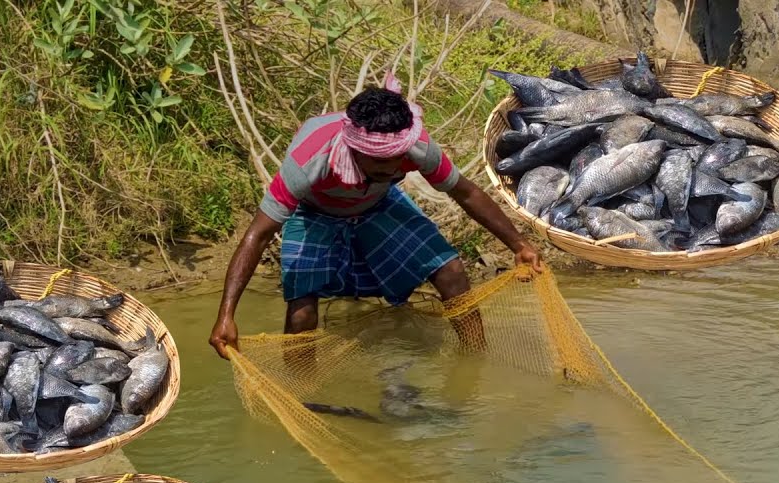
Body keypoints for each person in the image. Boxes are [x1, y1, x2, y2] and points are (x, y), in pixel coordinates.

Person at [209, 71, 543, 359]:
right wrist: (227, 315)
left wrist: (519, 245)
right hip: (315, 212)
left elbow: (466, 192)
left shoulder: (414, 147)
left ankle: (474, 359)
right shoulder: (311, 157)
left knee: (452, 271)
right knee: (301, 311)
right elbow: (258, 234)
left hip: (378, 205)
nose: (394, 168)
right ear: (354, 150)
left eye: (397, 161)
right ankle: (305, 393)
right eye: (381, 164)